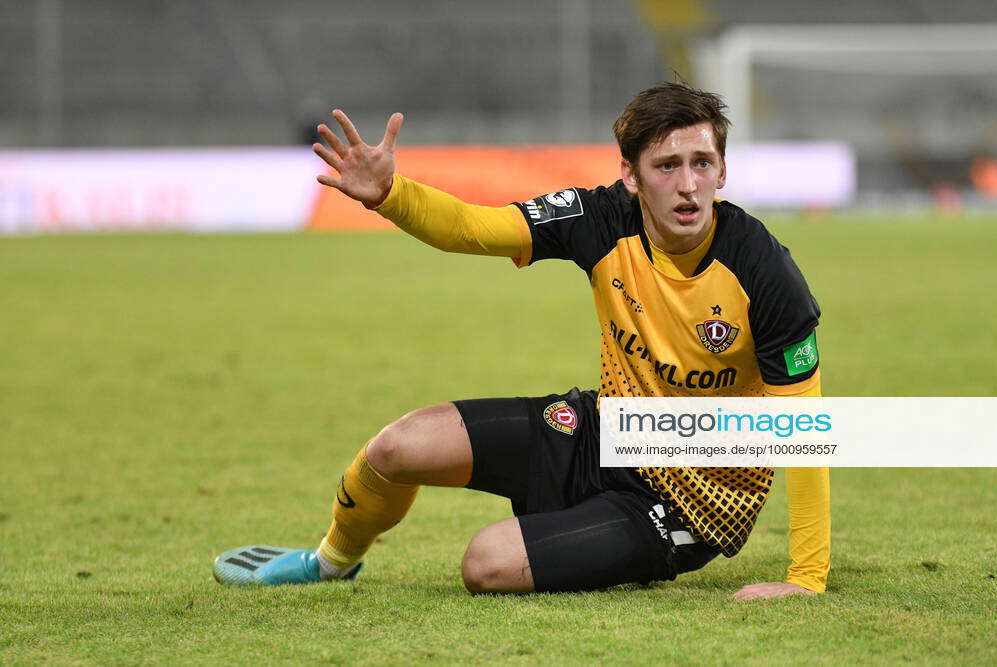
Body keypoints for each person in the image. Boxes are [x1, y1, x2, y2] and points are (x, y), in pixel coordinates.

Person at [213, 83, 829, 599]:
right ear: (632, 176)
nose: (689, 185)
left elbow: (804, 428)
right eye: (667, 166)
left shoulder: (763, 272)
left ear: (723, 169)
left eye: (702, 164)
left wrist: (805, 578)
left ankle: (609, 542)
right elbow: (476, 228)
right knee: (397, 447)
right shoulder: (602, 219)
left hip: (692, 504)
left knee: (486, 564)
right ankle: (328, 564)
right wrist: (389, 196)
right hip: (607, 433)